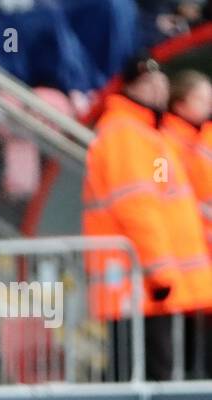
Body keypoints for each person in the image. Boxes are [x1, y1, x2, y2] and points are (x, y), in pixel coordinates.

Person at [83, 54, 212, 381]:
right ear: (131, 87)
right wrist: (161, 273)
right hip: (140, 287)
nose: (157, 90)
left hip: (151, 287)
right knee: (146, 383)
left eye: (160, 83)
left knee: (157, 379)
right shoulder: (126, 134)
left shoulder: (144, 133)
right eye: (149, 83)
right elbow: (138, 208)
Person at [161, 70, 212, 377]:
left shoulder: (197, 140)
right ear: (180, 104)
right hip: (185, 256)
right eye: (202, 98)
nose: (208, 105)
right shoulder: (170, 142)